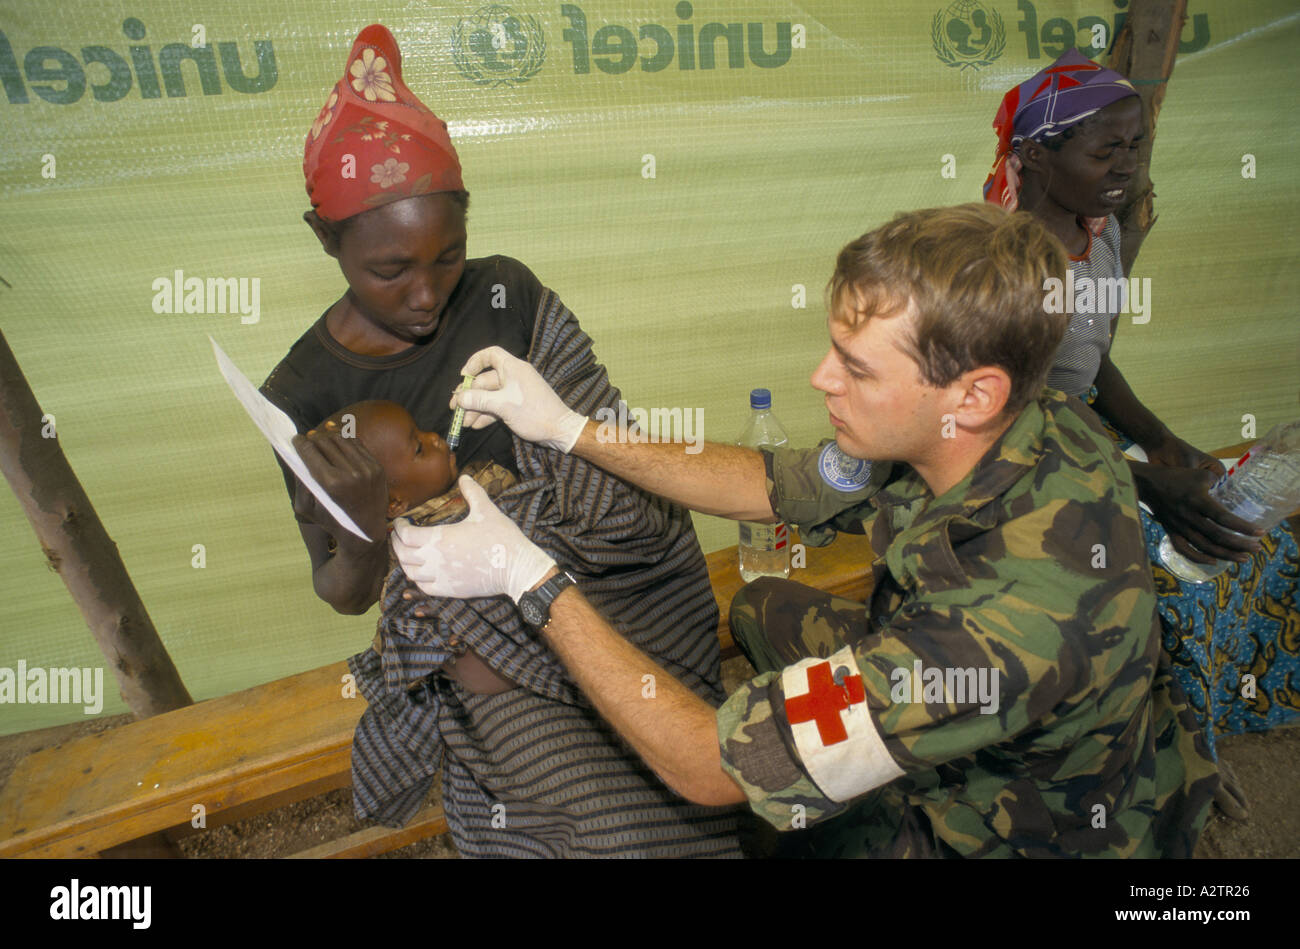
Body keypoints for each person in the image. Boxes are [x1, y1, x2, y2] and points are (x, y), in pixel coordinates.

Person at [394, 203, 1219, 857]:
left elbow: (710, 768)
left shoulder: (998, 638)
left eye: (856, 368)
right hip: (994, 681)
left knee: (758, 814)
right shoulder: (1031, 421)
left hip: (1020, 823)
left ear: (973, 394)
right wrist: (571, 427)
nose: (820, 378)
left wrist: (526, 574)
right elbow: (775, 483)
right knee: (761, 610)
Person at [261, 24, 742, 857]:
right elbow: (343, 589)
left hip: (617, 587)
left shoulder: (504, 296)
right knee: (598, 816)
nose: (426, 294)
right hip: (481, 641)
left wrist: (550, 438)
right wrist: (365, 526)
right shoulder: (301, 397)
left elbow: (610, 454)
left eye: (447, 256)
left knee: (685, 752)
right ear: (323, 236)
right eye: (390, 270)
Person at [983, 48, 1300, 817]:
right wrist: (1143, 480)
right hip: (1010, 462)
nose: (1126, 166)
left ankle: (1226, 710)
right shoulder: (1000, 267)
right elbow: (1011, 416)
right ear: (1035, 155)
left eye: (1136, 146)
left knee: (1253, 539)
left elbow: (1093, 364)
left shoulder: (1102, 230)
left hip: (1085, 437)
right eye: (1106, 150)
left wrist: (1162, 443)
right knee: (1159, 572)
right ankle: (1168, 748)